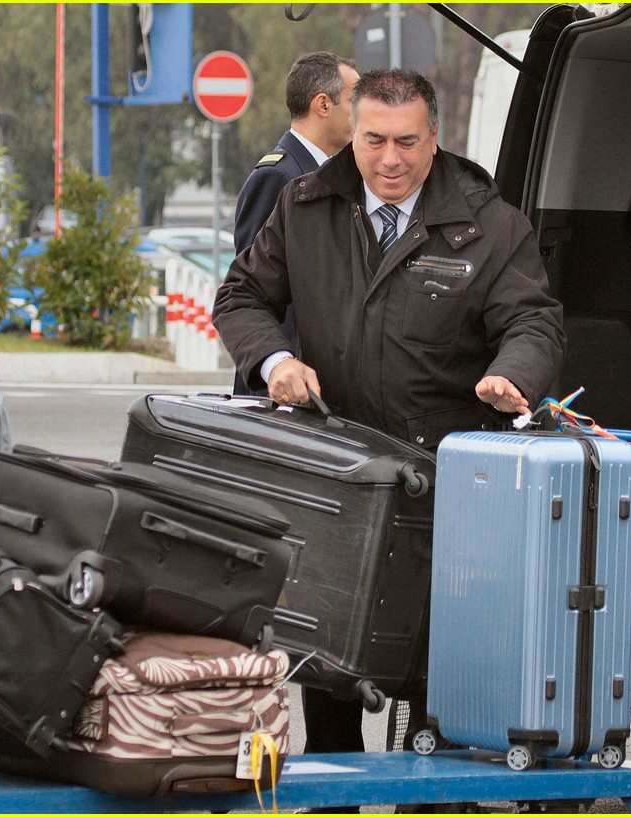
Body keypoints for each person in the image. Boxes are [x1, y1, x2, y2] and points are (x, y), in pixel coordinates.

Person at [213, 69, 565, 759]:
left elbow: (535, 320)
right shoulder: (304, 206)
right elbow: (241, 296)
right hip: (337, 481)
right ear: (353, 132)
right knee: (328, 667)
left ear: (434, 139)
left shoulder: (488, 223)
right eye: (373, 140)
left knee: (436, 676)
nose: (390, 159)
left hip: (445, 490)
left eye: (407, 141)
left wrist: (509, 373)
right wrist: (274, 362)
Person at [231, 51, 359, 397]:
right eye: (354, 101)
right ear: (323, 105)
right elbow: (257, 291)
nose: (362, 115)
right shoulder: (277, 176)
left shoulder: (328, 175)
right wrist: (279, 363)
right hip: (284, 385)